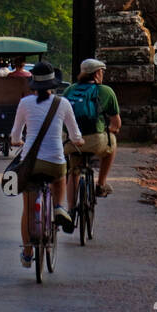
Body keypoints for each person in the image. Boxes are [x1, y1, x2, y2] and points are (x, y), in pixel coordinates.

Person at [10, 61, 84, 267]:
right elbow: (75, 134)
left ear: (34, 84)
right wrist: (78, 141)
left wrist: (17, 141)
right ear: (53, 84)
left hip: (31, 164)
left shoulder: (25, 103)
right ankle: (59, 206)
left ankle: (27, 253)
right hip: (54, 162)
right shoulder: (63, 103)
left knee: (27, 209)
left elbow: (15, 134)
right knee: (60, 177)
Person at [63, 58, 121, 204]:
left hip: (72, 142)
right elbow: (116, 123)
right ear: (97, 74)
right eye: (102, 72)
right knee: (112, 143)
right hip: (96, 142)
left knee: (73, 172)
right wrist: (110, 131)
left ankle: (71, 209)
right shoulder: (106, 91)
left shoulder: (69, 90)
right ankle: (101, 184)